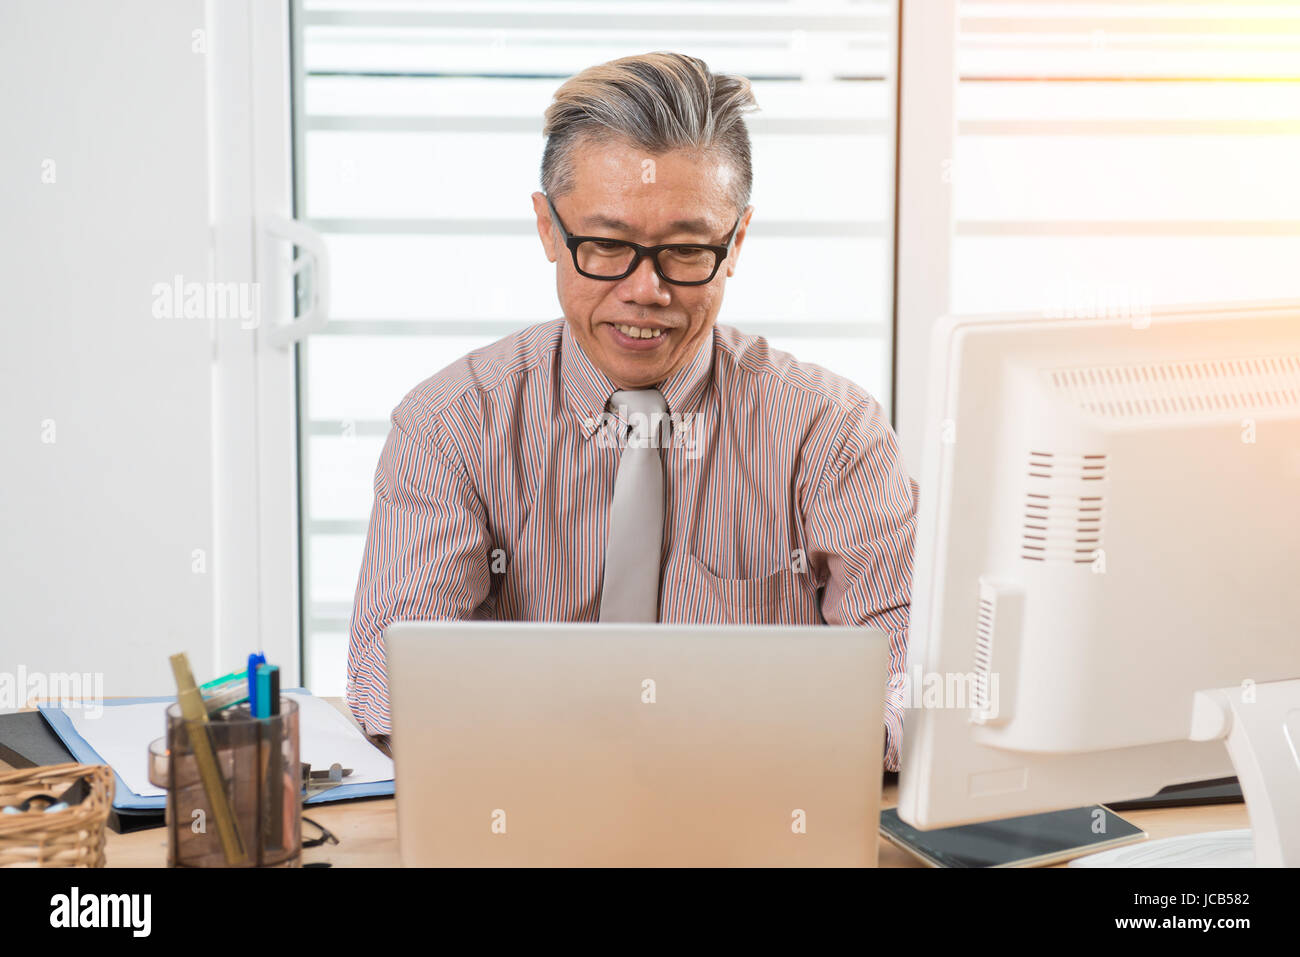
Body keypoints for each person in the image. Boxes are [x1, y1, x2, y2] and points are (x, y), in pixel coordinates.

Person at [347, 51, 917, 770]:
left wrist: (809, 743)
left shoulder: (832, 432)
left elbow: (910, 669)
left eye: (684, 250)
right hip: (522, 804)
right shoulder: (449, 425)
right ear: (548, 229)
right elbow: (391, 674)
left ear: (735, 241)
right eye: (608, 245)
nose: (646, 290)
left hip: (764, 805)